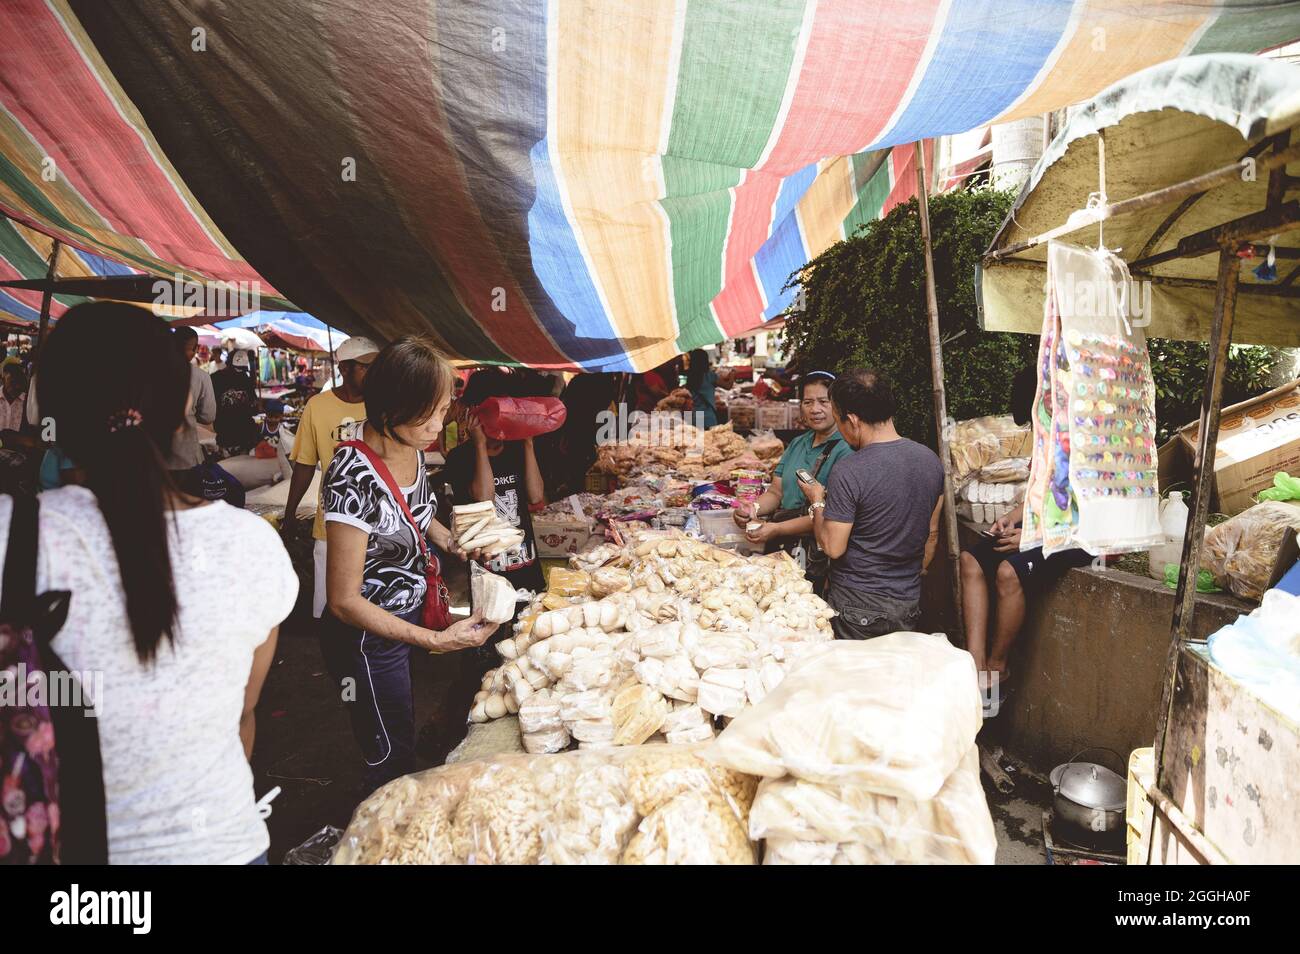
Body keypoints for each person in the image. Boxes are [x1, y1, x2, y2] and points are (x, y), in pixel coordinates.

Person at [0, 301, 297, 863]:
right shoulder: (252, 546)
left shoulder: (11, 540)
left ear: (51, 404)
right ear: (186, 403)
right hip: (225, 848)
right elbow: (241, 714)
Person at [321, 336, 496, 794]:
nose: (441, 423)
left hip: (404, 622)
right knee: (389, 758)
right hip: (367, 639)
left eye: (443, 409)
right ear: (394, 407)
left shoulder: (413, 451)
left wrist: (456, 542)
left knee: (400, 729)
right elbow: (342, 600)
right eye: (432, 412)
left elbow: (419, 517)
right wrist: (435, 639)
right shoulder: (352, 473)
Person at [960, 367, 1089, 713]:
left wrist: (1032, 537)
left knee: (1008, 572)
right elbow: (1037, 491)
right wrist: (1012, 519)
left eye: (1035, 418)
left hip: (1078, 537)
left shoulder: (1084, 442)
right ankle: (975, 665)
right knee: (970, 560)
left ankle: (999, 666)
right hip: (1041, 528)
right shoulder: (1047, 437)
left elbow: (1089, 510)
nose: (1034, 427)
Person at [801, 368, 946, 639]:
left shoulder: (850, 470)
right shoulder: (931, 461)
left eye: (838, 420)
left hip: (856, 607)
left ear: (853, 420)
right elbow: (932, 534)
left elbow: (833, 547)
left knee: (856, 678)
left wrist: (817, 501)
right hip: (908, 603)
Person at [281, 336, 379, 620]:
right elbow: (305, 465)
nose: (373, 374)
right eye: (366, 367)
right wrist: (290, 513)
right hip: (331, 522)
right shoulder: (317, 406)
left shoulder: (382, 405)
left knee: (371, 608)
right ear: (345, 368)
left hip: (377, 522)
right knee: (329, 609)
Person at [735, 370, 852, 590]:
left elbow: (830, 515)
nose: (814, 409)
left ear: (837, 405)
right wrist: (752, 509)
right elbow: (776, 492)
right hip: (785, 550)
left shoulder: (847, 449)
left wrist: (777, 529)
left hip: (818, 555)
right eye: (808, 402)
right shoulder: (798, 443)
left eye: (823, 402)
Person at [443, 369, 546, 595]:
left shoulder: (518, 449)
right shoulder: (460, 458)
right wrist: (479, 445)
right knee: (491, 627)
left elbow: (536, 495)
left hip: (524, 562)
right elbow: (484, 498)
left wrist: (528, 442)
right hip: (488, 571)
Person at [164, 326, 217, 485]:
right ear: (194, 348)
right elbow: (208, 416)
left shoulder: (150, 372)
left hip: (155, 455)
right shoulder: (201, 377)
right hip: (186, 453)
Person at [210, 349, 260, 455]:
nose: (240, 372)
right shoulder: (215, 379)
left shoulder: (245, 378)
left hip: (244, 436)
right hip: (226, 436)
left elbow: (254, 405)